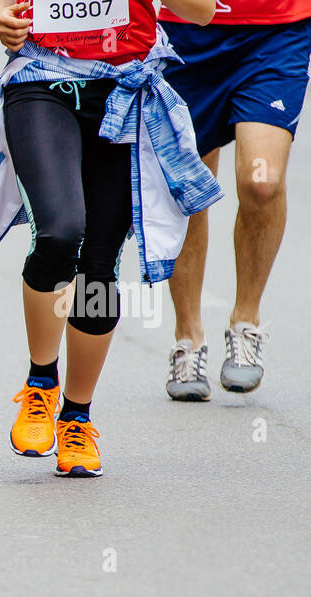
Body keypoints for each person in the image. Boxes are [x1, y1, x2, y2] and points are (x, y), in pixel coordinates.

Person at [0, 0, 220, 477]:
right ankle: (40, 383)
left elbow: (201, 12)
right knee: (60, 231)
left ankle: (76, 417)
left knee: (98, 262)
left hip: (124, 87)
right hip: (42, 79)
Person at [159, 1, 311, 399]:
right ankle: (187, 337)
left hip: (275, 31)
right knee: (189, 184)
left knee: (262, 179)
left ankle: (246, 320)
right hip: (185, 29)